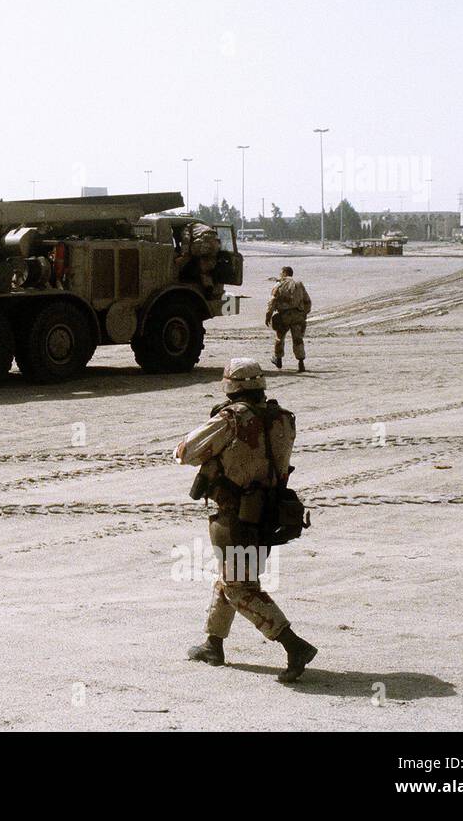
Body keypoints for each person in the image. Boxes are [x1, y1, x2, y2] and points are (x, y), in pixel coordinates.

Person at [173, 358, 318, 683]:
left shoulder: (232, 419)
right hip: (269, 513)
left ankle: (293, 644)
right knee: (230, 578)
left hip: (236, 515)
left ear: (230, 386)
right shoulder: (283, 419)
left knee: (239, 586)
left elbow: (185, 452)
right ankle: (213, 644)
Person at [266, 266, 311, 372]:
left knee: (279, 338)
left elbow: (272, 302)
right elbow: (307, 301)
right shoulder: (299, 284)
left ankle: (278, 359)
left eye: (281, 273)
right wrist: (304, 313)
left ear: (284, 273)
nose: (280, 275)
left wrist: (268, 315)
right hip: (297, 316)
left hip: (284, 316)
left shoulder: (279, 285)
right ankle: (301, 362)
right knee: (298, 339)